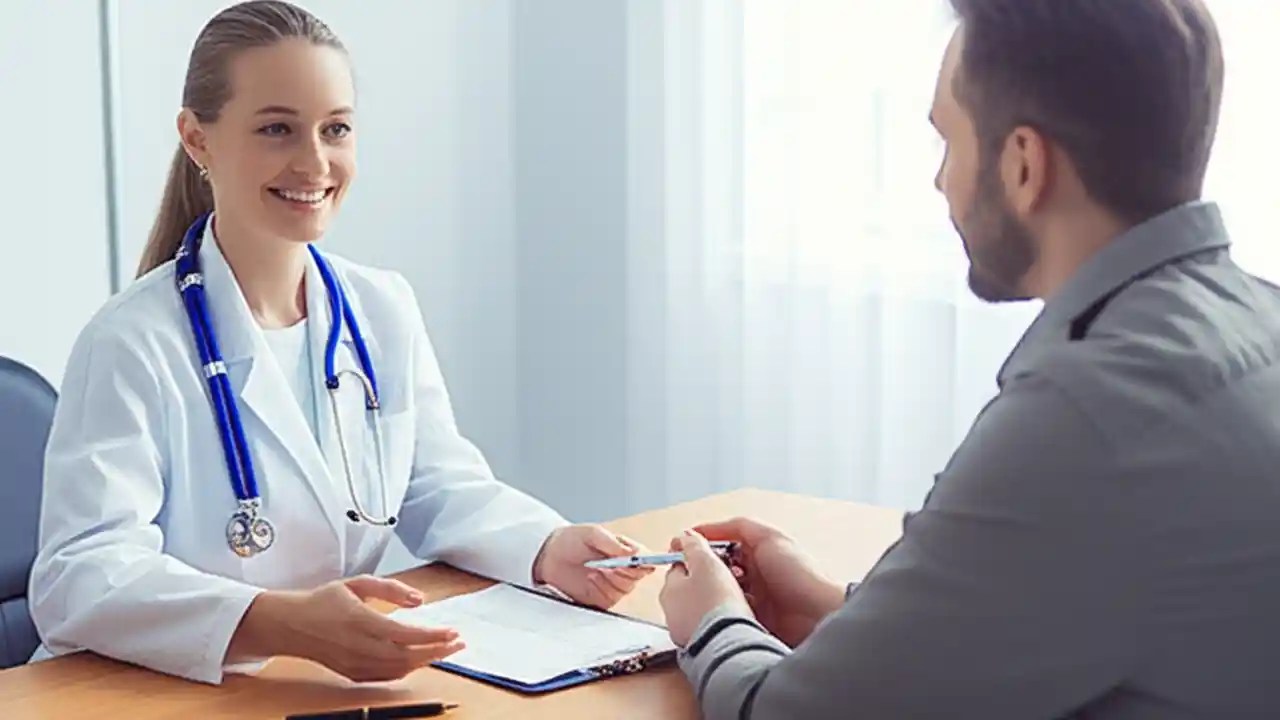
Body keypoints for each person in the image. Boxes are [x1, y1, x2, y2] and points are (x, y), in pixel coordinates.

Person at [659, 0, 1280, 717]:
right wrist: (835, 610)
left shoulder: (1088, 416)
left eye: (948, 142)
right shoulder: (1256, 322)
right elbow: (1081, 605)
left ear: (1023, 165)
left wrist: (712, 623)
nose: (941, 181)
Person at [29, 0, 648, 686]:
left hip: (313, 683)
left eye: (336, 129)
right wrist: (274, 621)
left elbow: (437, 484)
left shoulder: (379, 306)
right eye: (277, 129)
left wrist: (547, 547)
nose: (314, 161)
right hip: (146, 691)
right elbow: (79, 577)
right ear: (198, 140)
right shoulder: (131, 342)